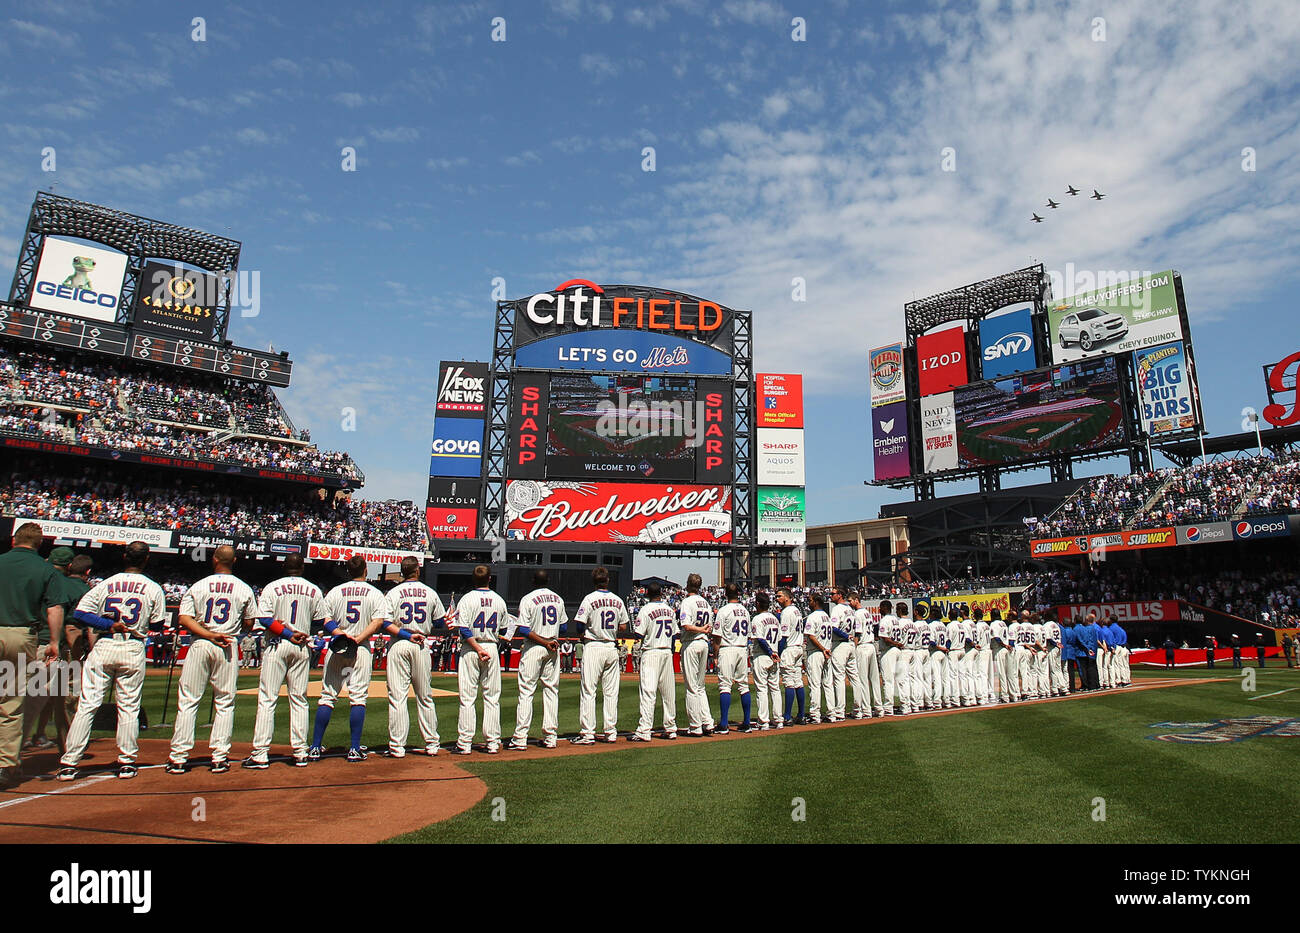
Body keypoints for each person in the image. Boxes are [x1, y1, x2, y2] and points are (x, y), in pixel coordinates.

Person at [55, 541, 166, 782]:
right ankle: (126, 762)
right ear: (146, 559)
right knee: (128, 706)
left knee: (88, 704)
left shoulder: (106, 583)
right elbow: (158, 625)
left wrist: (107, 623)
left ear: (124, 557)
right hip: (133, 646)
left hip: (105, 643)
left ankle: (69, 762)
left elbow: (80, 614)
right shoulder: (153, 587)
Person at [166, 546, 258, 774]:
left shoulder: (199, 585)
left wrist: (208, 633)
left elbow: (184, 618)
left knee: (188, 700)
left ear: (214, 559)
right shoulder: (244, 588)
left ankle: (178, 757)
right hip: (227, 642)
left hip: (200, 641)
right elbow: (250, 622)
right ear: (234, 560)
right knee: (225, 702)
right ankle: (219, 757)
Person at [242, 554, 326, 769]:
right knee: (299, 699)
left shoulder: (272, 587)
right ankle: (300, 751)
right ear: (302, 568)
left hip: (277, 644)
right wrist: (301, 631)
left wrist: (287, 632)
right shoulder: (313, 589)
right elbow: (318, 622)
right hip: (301, 645)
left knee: (268, 698)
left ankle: (260, 754)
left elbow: (265, 618)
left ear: (284, 567)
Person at [0, 522, 65, 788]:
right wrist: (53, 641)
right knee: (11, 704)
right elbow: (54, 609)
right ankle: (5, 766)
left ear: (13, 540)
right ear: (40, 545)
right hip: (21, 635)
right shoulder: (45, 569)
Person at [310, 556, 392, 762]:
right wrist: (357, 639)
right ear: (366, 570)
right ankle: (354, 748)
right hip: (361, 647)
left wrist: (341, 635)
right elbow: (378, 622)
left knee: (328, 696)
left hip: (338, 646)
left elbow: (324, 619)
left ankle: (315, 747)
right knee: (358, 698)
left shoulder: (335, 591)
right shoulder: (374, 593)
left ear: (347, 571)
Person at [24, 548, 90, 753]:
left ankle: (18, 745)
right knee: (66, 700)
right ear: (69, 566)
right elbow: (71, 628)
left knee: (18, 699)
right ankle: (68, 749)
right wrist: (77, 658)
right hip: (54, 648)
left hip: (25, 641)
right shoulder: (70, 586)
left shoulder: (35, 576)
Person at [381, 556, 444, 758]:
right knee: (425, 696)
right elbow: (441, 622)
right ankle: (432, 743)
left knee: (397, 697)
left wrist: (405, 634)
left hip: (399, 641)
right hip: (421, 643)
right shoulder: (430, 592)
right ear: (417, 571)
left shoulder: (393, 593)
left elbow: (384, 623)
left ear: (402, 571)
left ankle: (397, 746)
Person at [450, 565, 508, 755]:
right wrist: (484, 647)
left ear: (473, 580)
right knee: (492, 698)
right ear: (490, 579)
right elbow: (504, 630)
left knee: (468, 697)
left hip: (471, 648)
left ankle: (465, 743)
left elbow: (464, 629)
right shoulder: (499, 600)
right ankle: (492, 742)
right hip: (490, 647)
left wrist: (477, 648)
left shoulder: (467, 599)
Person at [571, 566, 629, 744]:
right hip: (611, 647)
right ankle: (610, 732)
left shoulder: (589, 599)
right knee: (611, 692)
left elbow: (580, 624)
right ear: (608, 580)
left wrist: (585, 632)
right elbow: (624, 626)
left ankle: (588, 733)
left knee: (589, 690)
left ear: (594, 581)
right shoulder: (618, 600)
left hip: (594, 645)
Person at [511, 570, 566, 750]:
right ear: (548, 580)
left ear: (533, 581)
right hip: (552, 647)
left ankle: (520, 738)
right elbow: (564, 627)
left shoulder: (528, 598)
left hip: (534, 647)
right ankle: (550, 737)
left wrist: (543, 641)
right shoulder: (558, 599)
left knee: (526, 691)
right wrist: (551, 640)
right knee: (551, 691)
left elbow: (524, 630)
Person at [629, 583, 678, 742]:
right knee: (668, 693)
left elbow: (638, 634)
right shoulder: (669, 610)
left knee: (648, 692)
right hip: (666, 652)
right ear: (661, 594)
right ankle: (670, 728)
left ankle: (644, 730)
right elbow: (675, 635)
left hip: (651, 651)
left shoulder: (645, 609)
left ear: (648, 594)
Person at [678, 574, 715, 736]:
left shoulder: (687, 602)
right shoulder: (706, 603)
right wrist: (703, 631)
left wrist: (699, 630)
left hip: (692, 643)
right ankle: (707, 722)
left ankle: (695, 726)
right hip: (704, 643)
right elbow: (710, 627)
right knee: (700, 687)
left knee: (692, 687)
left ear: (687, 585)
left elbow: (686, 625)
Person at [713, 583, 753, 733]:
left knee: (725, 686)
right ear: (739, 594)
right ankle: (747, 723)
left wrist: (715, 655)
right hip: (742, 649)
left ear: (725, 594)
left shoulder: (723, 611)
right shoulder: (745, 611)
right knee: (743, 686)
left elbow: (717, 637)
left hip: (727, 648)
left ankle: (723, 724)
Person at [749, 592, 783, 729]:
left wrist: (770, 653)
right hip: (774, 656)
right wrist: (776, 653)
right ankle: (778, 719)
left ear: (757, 604)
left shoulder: (757, 619)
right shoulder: (775, 619)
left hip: (762, 656)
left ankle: (764, 721)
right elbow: (781, 640)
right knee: (775, 688)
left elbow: (761, 639)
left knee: (762, 689)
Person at [849, 592, 884, 717]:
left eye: (851, 600)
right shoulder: (867, 612)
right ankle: (879, 708)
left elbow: (858, 633)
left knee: (863, 679)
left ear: (857, 600)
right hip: (871, 645)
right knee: (874, 679)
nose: (850, 603)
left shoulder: (857, 614)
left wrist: (854, 646)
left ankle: (866, 710)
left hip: (863, 646)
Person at [826, 587, 857, 722]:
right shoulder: (850, 609)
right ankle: (859, 709)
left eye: (832, 594)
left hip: (841, 644)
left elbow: (834, 627)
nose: (830, 596)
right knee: (854, 678)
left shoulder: (837, 609)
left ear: (840, 595)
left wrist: (845, 637)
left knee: (839, 678)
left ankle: (839, 711)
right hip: (851, 645)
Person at [776, 588, 807, 724]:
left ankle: (787, 716)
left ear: (787, 598)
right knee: (798, 682)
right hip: (799, 647)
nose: (777, 598)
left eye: (779, 596)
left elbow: (783, 636)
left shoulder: (787, 612)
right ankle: (801, 715)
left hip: (790, 648)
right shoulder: (796, 610)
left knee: (789, 682)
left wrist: (778, 652)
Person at [802, 593, 833, 724]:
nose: (809, 603)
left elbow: (811, 636)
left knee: (815, 684)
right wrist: (825, 650)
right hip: (827, 652)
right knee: (828, 684)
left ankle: (815, 714)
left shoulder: (813, 616)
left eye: (810, 601)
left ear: (815, 602)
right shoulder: (827, 616)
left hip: (817, 652)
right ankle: (832, 713)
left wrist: (822, 649)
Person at [878, 600, 907, 715]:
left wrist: (895, 643)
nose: (879, 610)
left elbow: (885, 638)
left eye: (881, 608)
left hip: (889, 651)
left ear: (885, 608)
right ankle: (905, 706)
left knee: (888, 680)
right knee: (901, 680)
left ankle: (888, 708)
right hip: (897, 651)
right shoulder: (896, 620)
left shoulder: (885, 620)